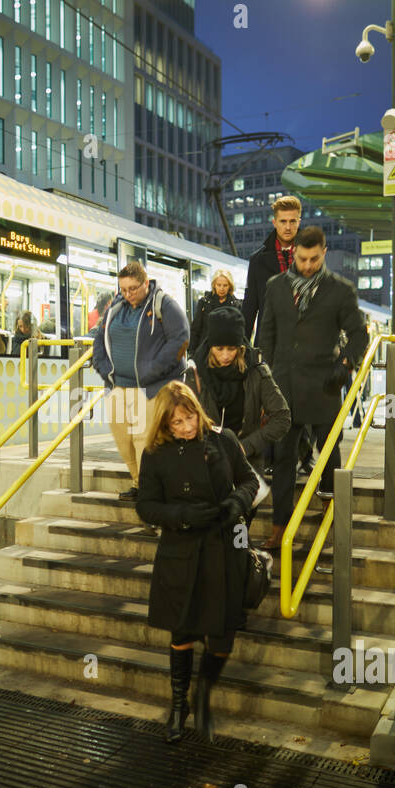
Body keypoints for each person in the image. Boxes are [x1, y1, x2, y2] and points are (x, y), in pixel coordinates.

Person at [135, 381, 259, 743]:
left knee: (221, 637)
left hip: (224, 549)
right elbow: (146, 505)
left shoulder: (223, 440)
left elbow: (250, 480)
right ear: (164, 424)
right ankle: (179, 706)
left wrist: (237, 502)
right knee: (183, 631)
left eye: (190, 418)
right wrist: (183, 514)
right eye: (177, 423)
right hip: (182, 552)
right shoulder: (155, 454)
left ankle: (203, 695)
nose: (187, 427)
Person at [257, 226, 367, 548]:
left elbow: (359, 335)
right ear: (295, 254)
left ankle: (332, 517)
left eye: (314, 259)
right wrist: (266, 383)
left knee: (329, 454)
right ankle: (279, 528)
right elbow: (267, 338)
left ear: (324, 252)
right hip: (284, 387)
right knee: (282, 459)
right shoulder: (276, 287)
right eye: (303, 259)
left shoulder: (340, 290)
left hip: (324, 385)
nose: (307, 265)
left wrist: (344, 364)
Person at [90, 262, 189, 502]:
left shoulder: (164, 304)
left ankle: (149, 489)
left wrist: (153, 372)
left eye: (133, 288)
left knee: (144, 440)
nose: (128, 294)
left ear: (146, 283)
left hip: (149, 387)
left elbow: (181, 339)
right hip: (118, 385)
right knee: (123, 438)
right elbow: (99, 338)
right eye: (123, 289)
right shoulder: (116, 306)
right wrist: (104, 370)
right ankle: (139, 482)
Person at [183, 305, 290, 476]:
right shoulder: (195, 374)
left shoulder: (256, 371)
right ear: (210, 346)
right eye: (219, 349)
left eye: (231, 349)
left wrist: (246, 446)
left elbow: (282, 418)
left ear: (240, 348)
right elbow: (183, 419)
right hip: (207, 466)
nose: (225, 356)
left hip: (247, 467)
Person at [242, 195, 302, 346]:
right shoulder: (257, 260)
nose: (288, 227)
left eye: (292, 221)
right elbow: (249, 308)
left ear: (299, 222)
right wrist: (240, 348)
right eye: (283, 221)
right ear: (274, 223)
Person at [188, 269, 239, 361]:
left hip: (226, 356)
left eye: (225, 285)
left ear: (230, 286)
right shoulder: (204, 302)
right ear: (214, 285)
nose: (221, 288)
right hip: (205, 353)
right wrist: (191, 353)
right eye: (218, 285)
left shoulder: (236, 305)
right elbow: (196, 329)